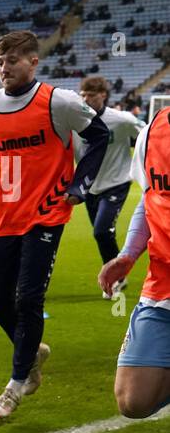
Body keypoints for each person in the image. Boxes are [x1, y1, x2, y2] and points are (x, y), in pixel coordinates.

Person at [0, 30, 110, 418]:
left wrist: (79, 185)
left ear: (33, 62)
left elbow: (100, 136)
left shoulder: (59, 102)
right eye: (0, 62)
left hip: (47, 213)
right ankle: (34, 352)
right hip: (2, 216)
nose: (5, 68)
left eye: (13, 61)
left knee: (28, 298)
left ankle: (16, 384)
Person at [97, 104, 170, 433]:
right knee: (133, 400)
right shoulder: (155, 130)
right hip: (161, 287)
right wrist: (128, 253)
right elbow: (149, 198)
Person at [76, 75, 145, 298]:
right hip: (90, 186)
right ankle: (117, 273)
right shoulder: (75, 122)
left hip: (116, 183)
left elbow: (146, 137)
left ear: (103, 95)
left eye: (91, 95)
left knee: (102, 231)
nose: (86, 99)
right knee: (102, 234)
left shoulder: (122, 120)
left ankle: (115, 279)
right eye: (83, 95)